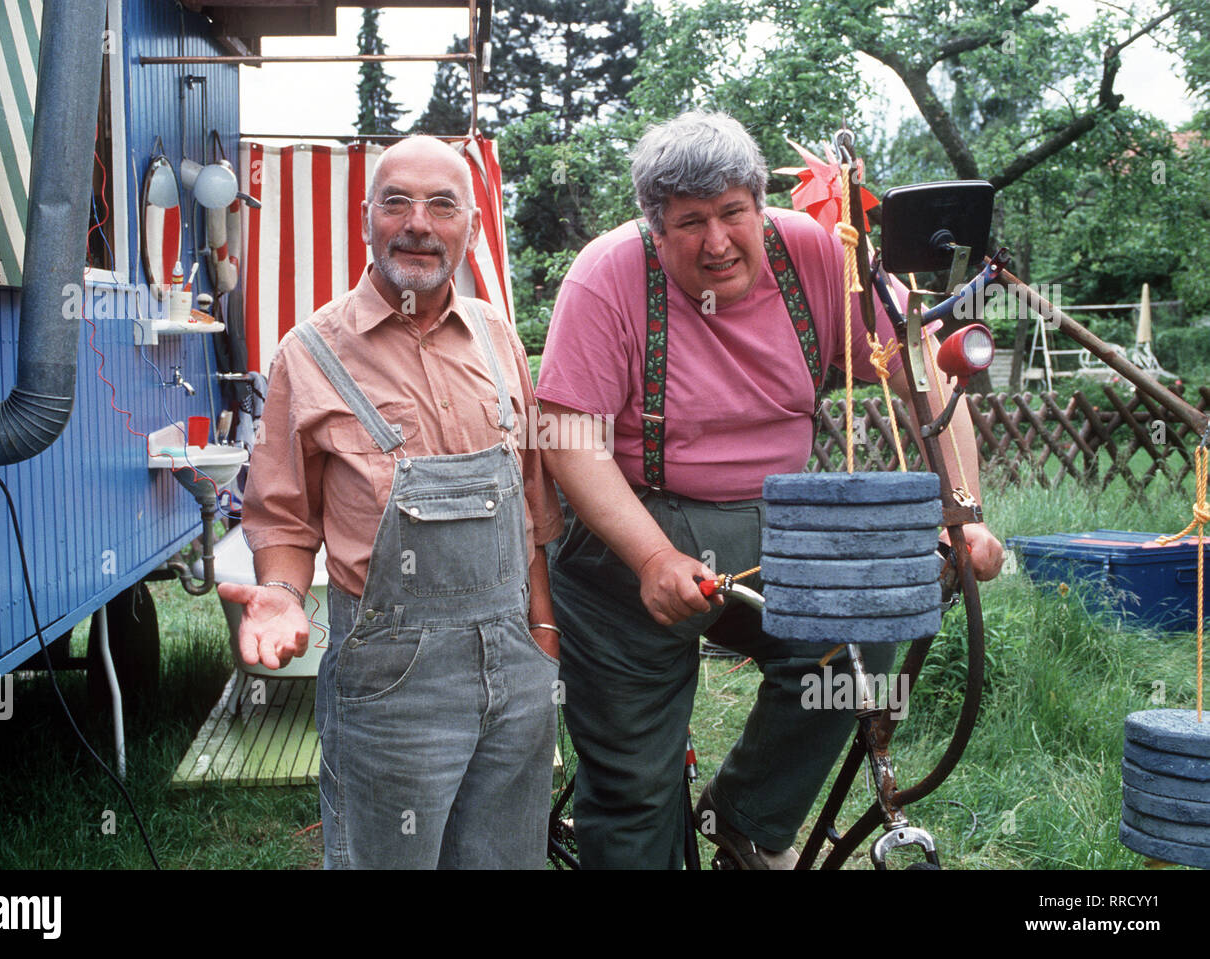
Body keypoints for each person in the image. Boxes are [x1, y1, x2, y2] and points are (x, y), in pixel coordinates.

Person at [535, 111, 1004, 869]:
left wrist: (966, 515)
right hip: (628, 529)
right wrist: (651, 556)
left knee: (876, 608)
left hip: (773, 517)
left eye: (731, 213)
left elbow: (921, 368)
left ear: (760, 203)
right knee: (633, 782)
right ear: (654, 228)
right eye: (689, 223)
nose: (716, 242)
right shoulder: (607, 274)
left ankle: (748, 818)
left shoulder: (820, 253)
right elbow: (566, 437)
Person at [220, 135, 564, 870]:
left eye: (442, 204)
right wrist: (281, 592)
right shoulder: (309, 354)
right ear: (365, 216)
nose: (419, 222)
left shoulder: (501, 337)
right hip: (391, 678)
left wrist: (541, 632)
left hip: (515, 656)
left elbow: (530, 501)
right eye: (397, 202)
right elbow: (281, 515)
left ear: (470, 224)